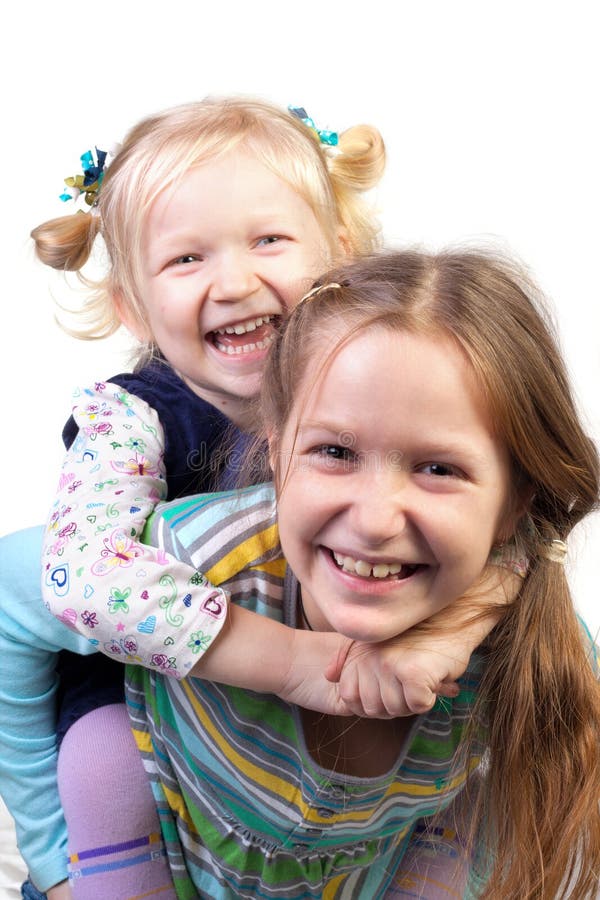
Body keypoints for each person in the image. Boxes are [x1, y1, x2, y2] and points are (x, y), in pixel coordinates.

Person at [0, 100, 518, 899]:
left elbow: (512, 523)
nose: (236, 282)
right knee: (101, 761)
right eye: (186, 259)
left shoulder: (382, 379)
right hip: (160, 695)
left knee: (483, 753)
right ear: (132, 306)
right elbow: (83, 576)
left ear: (341, 255)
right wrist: (293, 664)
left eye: (269, 240)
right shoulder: (130, 419)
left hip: (327, 724)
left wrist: (456, 631)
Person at [126, 249, 600, 898]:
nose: (376, 522)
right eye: (335, 451)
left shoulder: (529, 651)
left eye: (438, 469)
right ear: (276, 447)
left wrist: (472, 620)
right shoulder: (188, 563)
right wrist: (56, 858)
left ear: (515, 500)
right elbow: (21, 604)